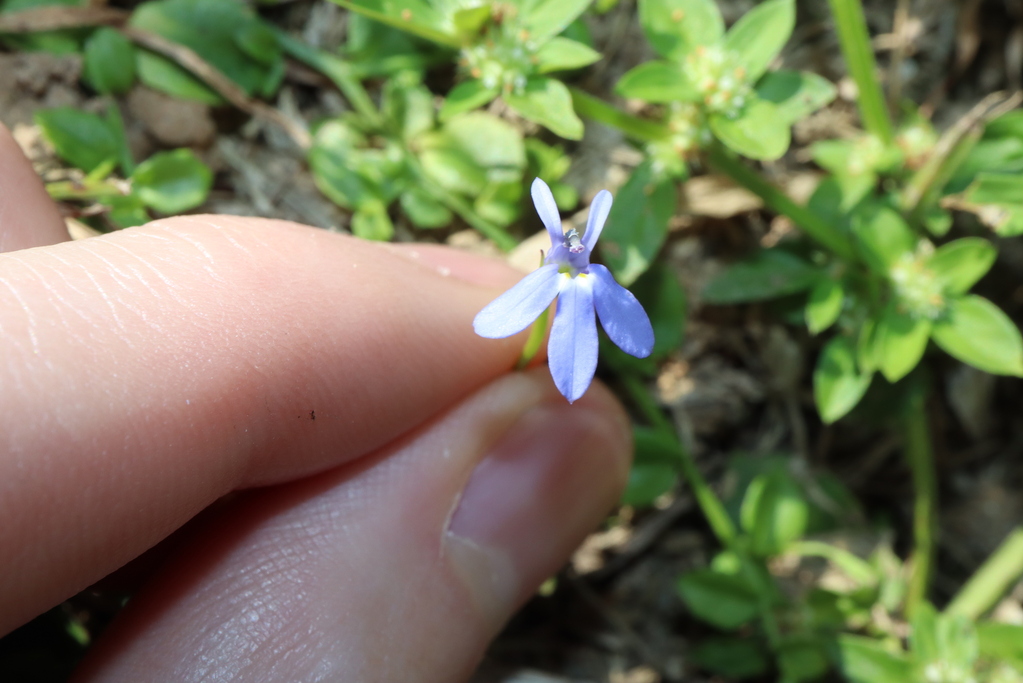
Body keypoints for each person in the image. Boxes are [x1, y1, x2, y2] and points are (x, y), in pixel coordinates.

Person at [0, 123, 632, 682]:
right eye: (567, 248)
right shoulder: (551, 280)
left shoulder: (581, 284)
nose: (572, 252)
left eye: (578, 249)